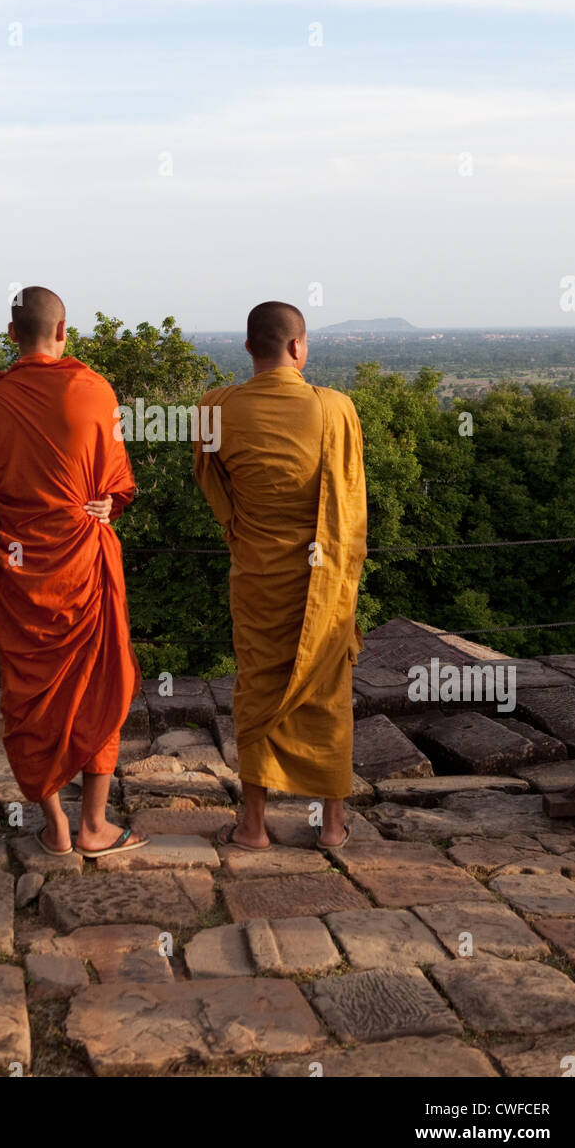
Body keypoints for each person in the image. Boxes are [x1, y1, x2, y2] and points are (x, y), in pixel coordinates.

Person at [0, 286, 148, 857]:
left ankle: (55, 826)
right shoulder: (92, 389)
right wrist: (107, 504)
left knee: (27, 691)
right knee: (96, 683)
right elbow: (116, 484)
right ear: (63, 331)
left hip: (18, 567)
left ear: (11, 334)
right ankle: (94, 825)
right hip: (82, 563)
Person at [193, 301, 367, 850]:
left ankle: (252, 826)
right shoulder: (336, 409)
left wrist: (241, 526)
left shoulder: (213, 410)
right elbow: (353, 508)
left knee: (257, 688)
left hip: (258, 575)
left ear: (249, 348)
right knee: (328, 690)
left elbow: (212, 483)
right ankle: (332, 825)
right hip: (324, 580)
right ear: (298, 347)